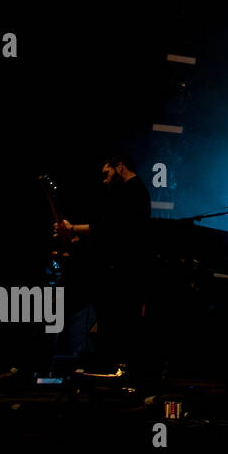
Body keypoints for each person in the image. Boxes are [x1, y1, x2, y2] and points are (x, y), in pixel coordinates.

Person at [53, 154, 152, 371]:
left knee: (59, 308)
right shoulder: (129, 192)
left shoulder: (133, 192)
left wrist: (71, 230)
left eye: (107, 173)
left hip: (113, 272)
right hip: (110, 271)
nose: (104, 179)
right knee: (106, 325)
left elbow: (109, 229)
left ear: (120, 167)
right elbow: (107, 231)